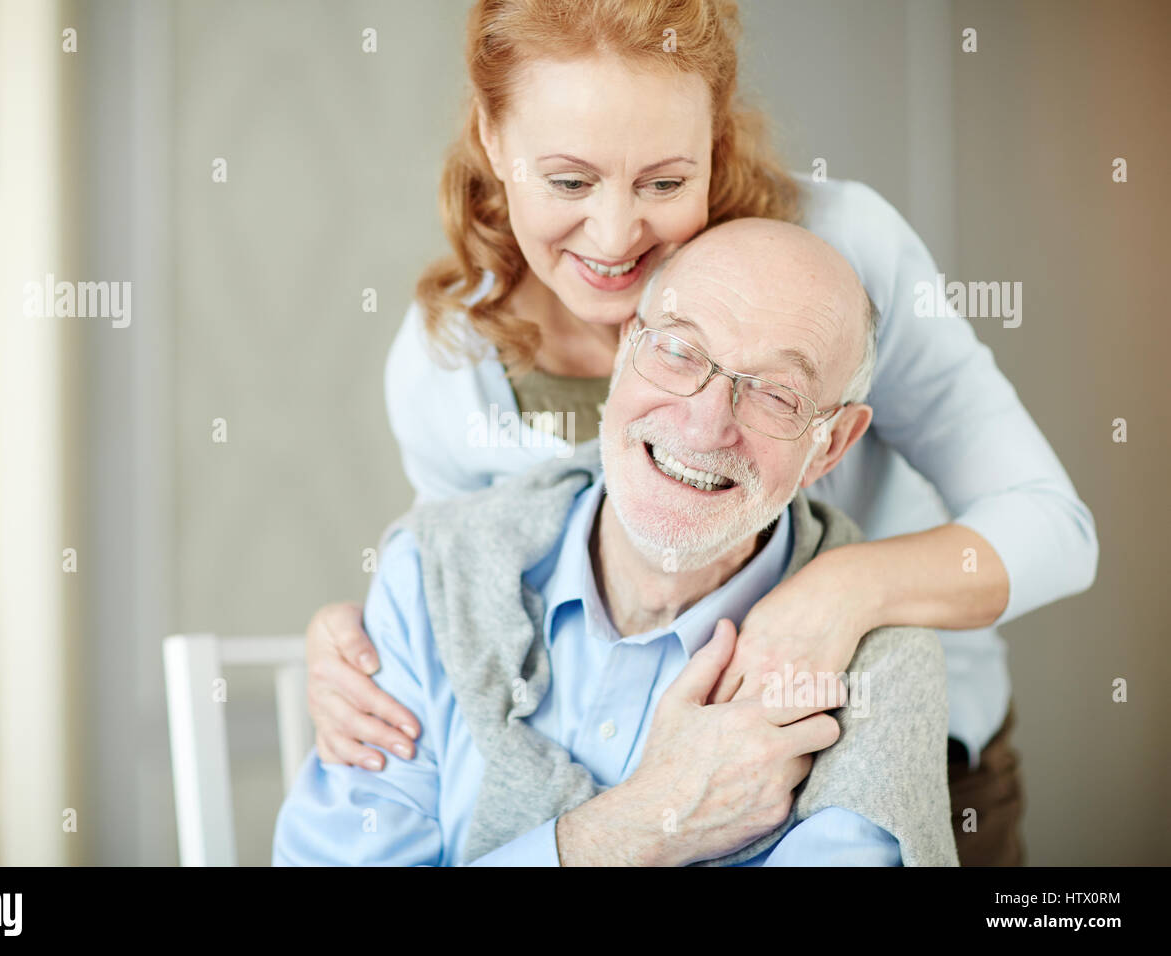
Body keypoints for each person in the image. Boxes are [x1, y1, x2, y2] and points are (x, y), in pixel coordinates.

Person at [303, 0, 1097, 865]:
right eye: (569, 182)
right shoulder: (448, 360)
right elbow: (465, 594)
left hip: (892, 766)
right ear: (492, 137)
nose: (615, 237)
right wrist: (359, 647)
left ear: (715, 142)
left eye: (664, 181)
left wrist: (838, 595)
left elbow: (1053, 527)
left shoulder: (845, 250)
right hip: (599, 799)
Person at [274, 219, 957, 866]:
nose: (705, 421)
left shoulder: (878, 671)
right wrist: (638, 826)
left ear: (829, 444)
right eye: (681, 351)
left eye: (776, 394)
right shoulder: (432, 574)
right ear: (628, 345)